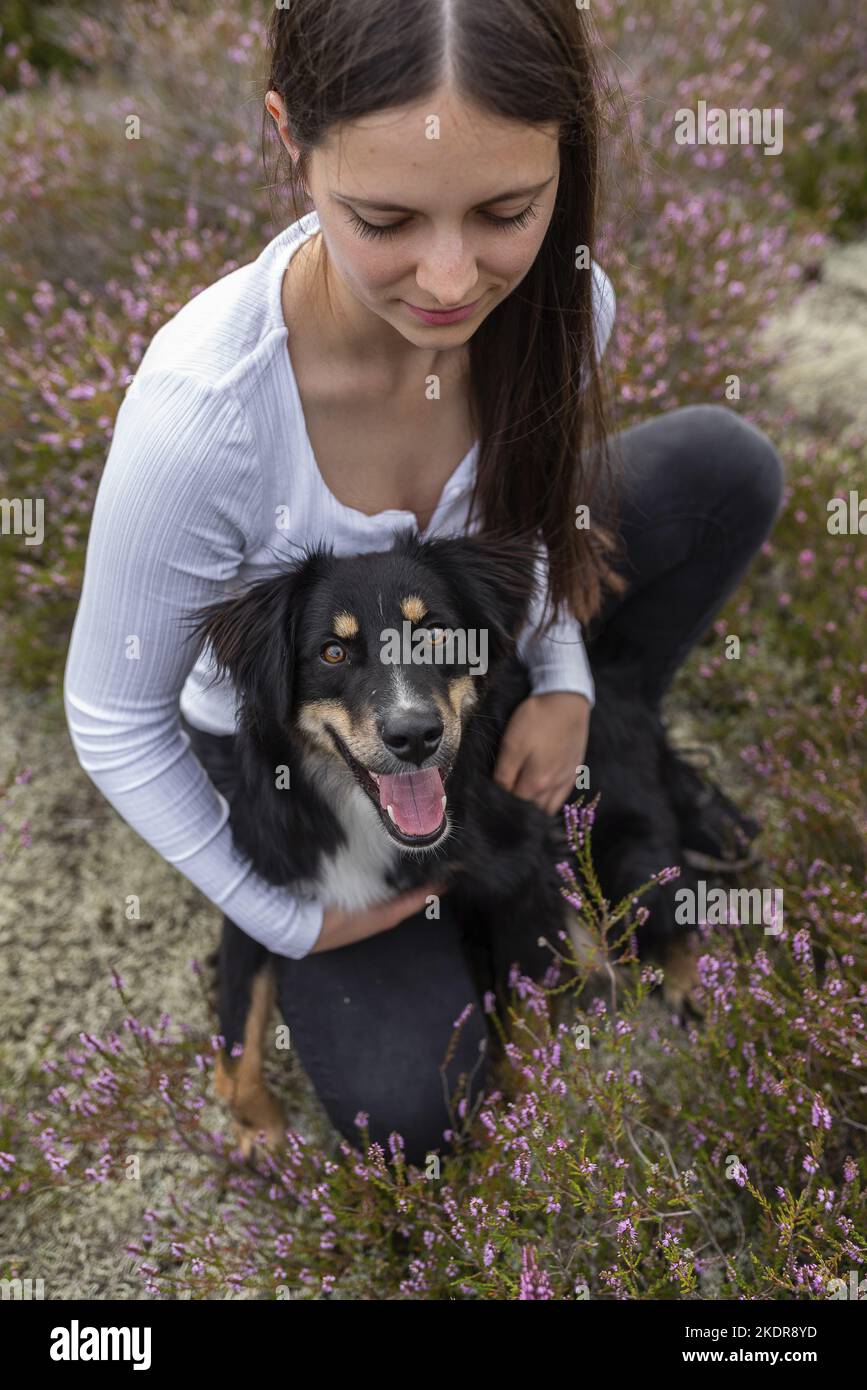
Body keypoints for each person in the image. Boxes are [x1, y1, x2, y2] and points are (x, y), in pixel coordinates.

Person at [63, 0, 783, 1166]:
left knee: (719, 468)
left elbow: (532, 514)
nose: (452, 282)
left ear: (567, 150)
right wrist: (285, 910)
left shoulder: (560, 304)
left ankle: (615, 730)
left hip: (468, 626)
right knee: (405, 1106)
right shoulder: (205, 416)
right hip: (289, 722)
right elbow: (110, 716)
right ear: (290, 139)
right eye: (384, 218)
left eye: (507, 211)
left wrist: (561, 678)